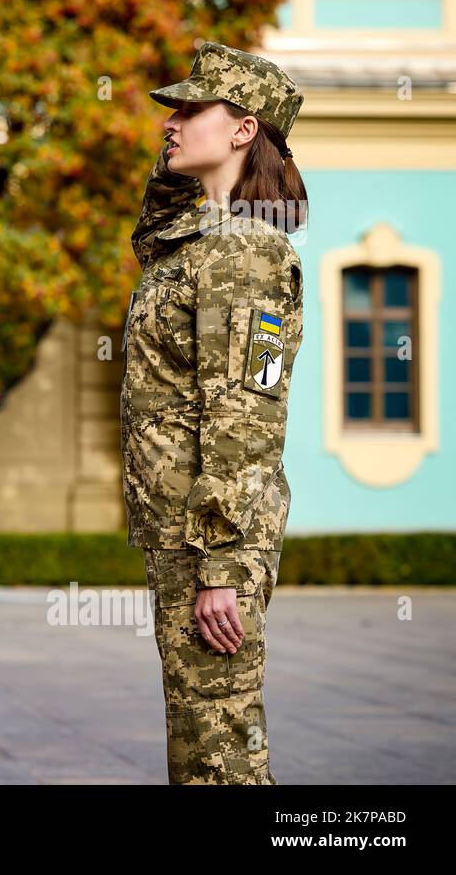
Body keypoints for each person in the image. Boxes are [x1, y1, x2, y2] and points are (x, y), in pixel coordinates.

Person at [123, 40, 307, 785]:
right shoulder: (199, 244)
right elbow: (149, 235)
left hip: (212, 545)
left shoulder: (247, 253)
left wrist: (223, 568)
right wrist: (174, 170)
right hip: (182, 537)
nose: (170, 122)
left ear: (243, 129)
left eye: (191, 109)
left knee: (220, 762)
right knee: (199, 749)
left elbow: (244, 420)